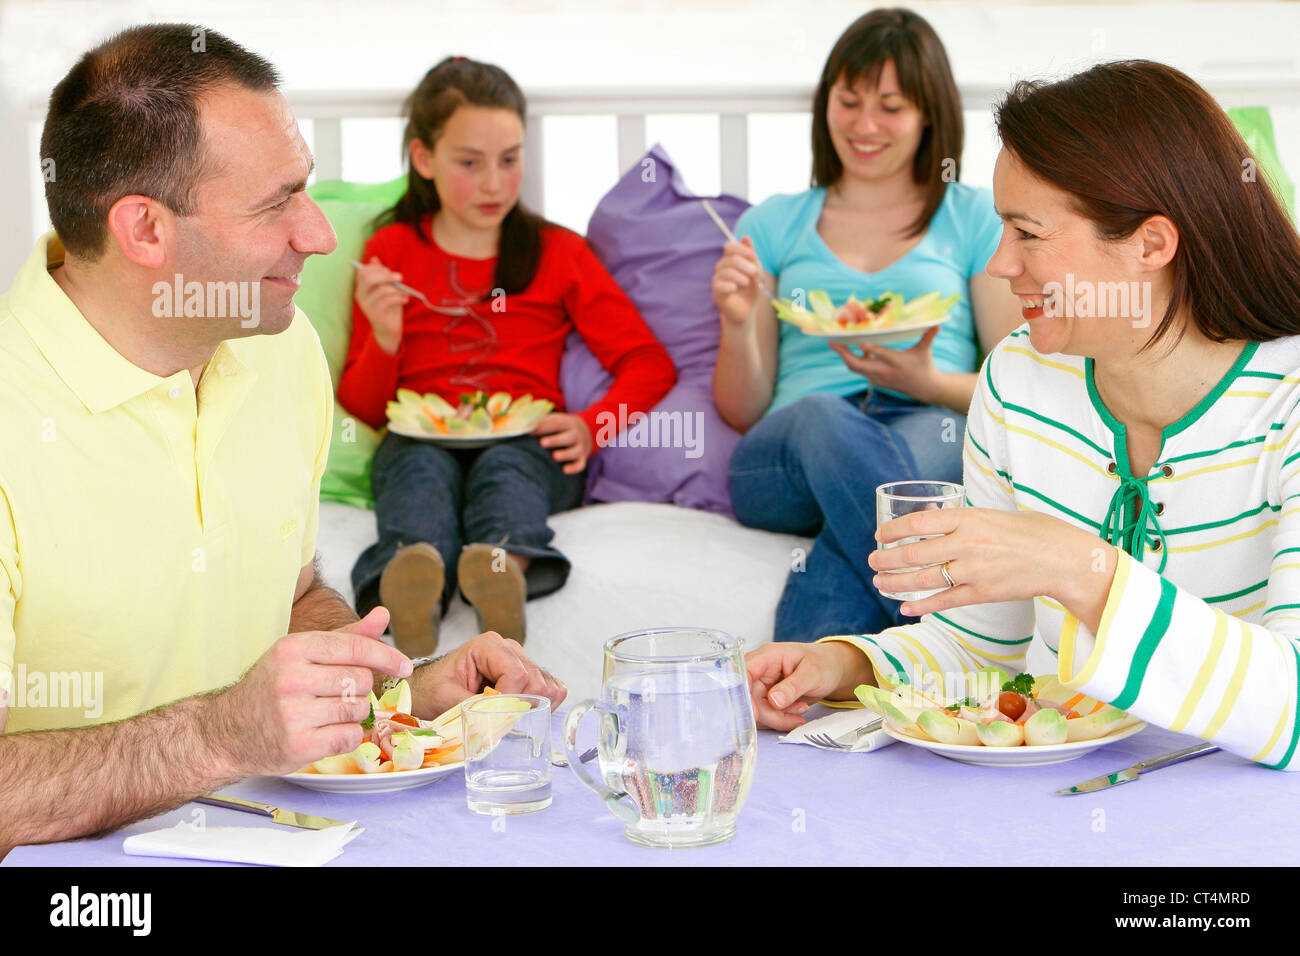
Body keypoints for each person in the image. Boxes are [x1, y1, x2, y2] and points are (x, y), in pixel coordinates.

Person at [0, 24, 566, 857]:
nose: (321, 234)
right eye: (277, 204)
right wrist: (218, 738)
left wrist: (396, 695)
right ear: (145, 231)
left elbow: (290, 593)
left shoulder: (280, 345)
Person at [745, 59, 1300, 771]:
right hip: (1052, 799)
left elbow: (1291, 702)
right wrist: (844, 666)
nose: (1002, 264)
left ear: (1150, 245)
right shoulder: (1018, 377)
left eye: (1027, 233)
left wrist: (1081, 568)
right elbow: (981, 644)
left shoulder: (1285, 404)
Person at [339, 57, 675, 655]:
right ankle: (414, 581)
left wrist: (592, 426)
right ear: (424, 159)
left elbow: (649, 362)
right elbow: (364, 408)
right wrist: (386, 337)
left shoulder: (558, 251)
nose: (494, 183)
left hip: (526, 437)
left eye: (510, 159)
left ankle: (504, 572)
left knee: (507, 473)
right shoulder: (390, 249)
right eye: (469, 163)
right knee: (415, 474)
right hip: (421, 434)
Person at [712, 8, 1022, 643]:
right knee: (833, 422)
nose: (864, 125)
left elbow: (1013, 383)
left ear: (929, 113)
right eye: (848, 101)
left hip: (924, 420)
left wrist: (931, 383)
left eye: (891, 106)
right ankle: (954, 635)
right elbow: (744, 411)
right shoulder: (774, 223)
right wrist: (738, 322)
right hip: (792, 449)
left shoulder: (974, 218)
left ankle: (809, 683)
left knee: (902, 484)